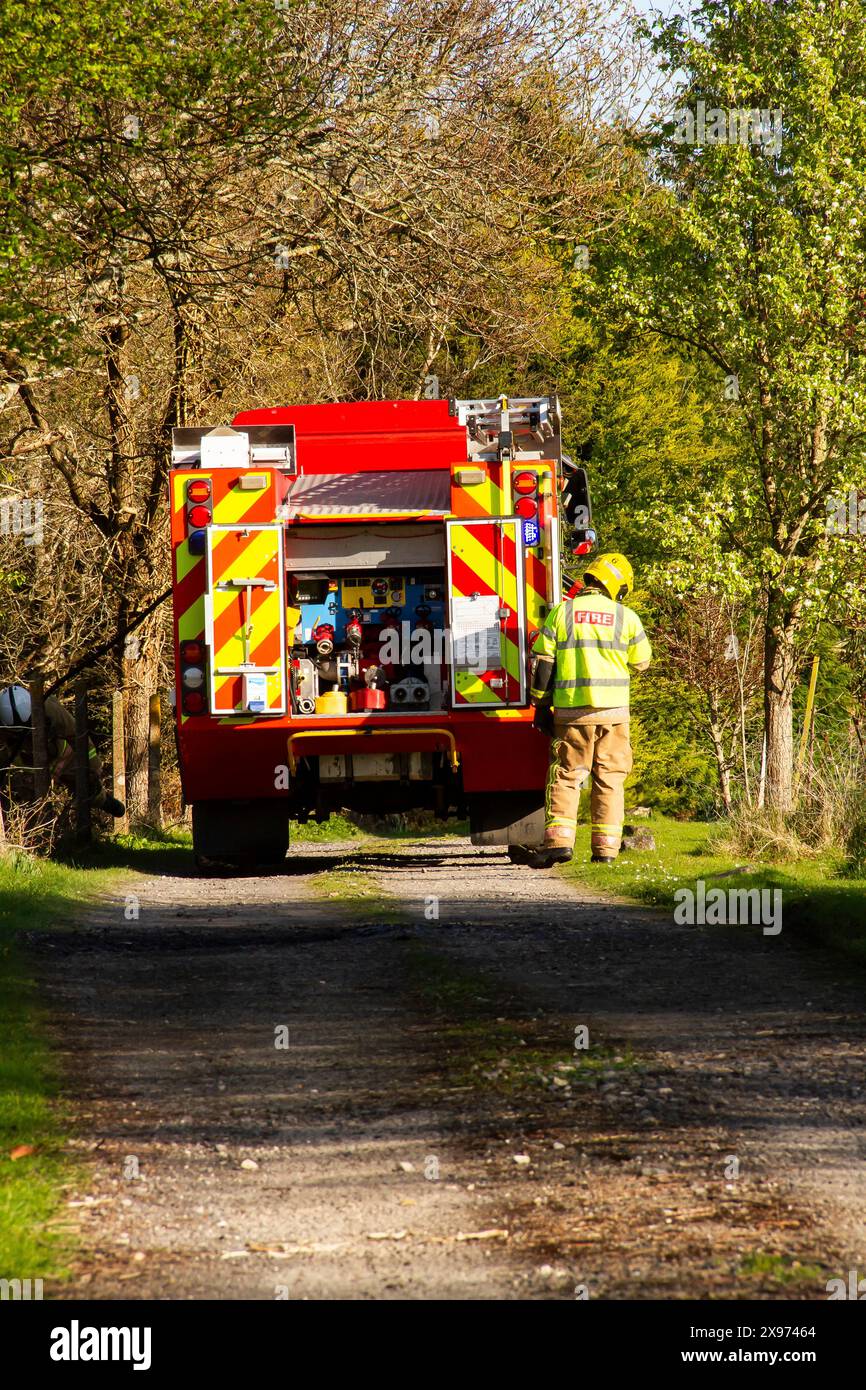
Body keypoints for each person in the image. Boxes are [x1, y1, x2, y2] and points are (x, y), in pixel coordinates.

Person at [523, 552, 651, 868]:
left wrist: (540, 705)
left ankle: (559, 844)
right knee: (609, 779)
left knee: (566, 775)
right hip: (614, 715)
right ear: (617, 586)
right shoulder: (626, 617)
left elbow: (543, 666)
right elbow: (641, 662)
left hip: (571, 713)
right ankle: (605, 850)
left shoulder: (561, 614)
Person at [0, 684, 126, 817]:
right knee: (27, 793)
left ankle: (102, 800)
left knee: (84, 783)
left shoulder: (50, 710)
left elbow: (78, 736)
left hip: (60, 750)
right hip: (24, 758)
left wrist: (93, 765)